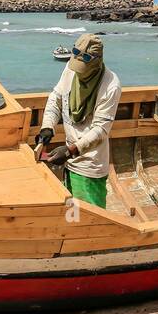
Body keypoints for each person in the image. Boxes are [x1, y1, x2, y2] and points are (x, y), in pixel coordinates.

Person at [35, 33, 121, 209]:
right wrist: (47, 128)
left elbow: (100, 131)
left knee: (92, 219)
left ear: (96, 62)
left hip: (90, 165)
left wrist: (70, 150)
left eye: (84, 69)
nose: (78, 73)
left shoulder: (111, 86)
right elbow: (56, 99)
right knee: (72, 214)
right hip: (69, 160)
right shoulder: (71, 68)